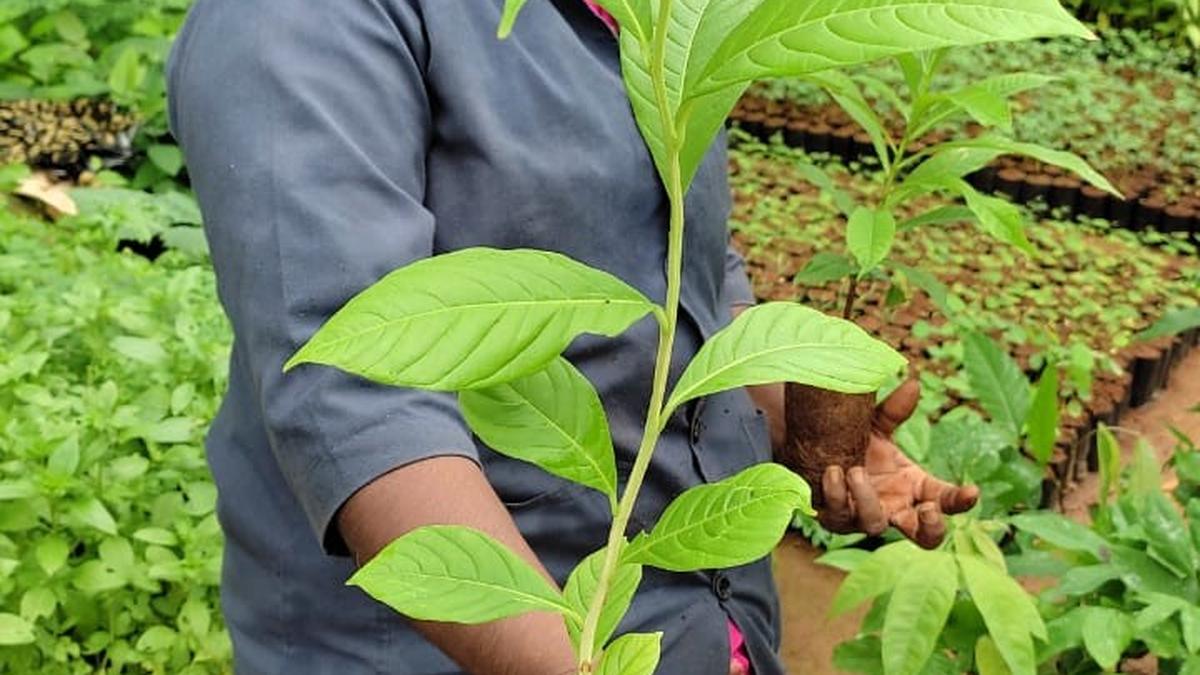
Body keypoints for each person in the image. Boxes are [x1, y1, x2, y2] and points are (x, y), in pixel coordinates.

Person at [167, 1, 979, 673]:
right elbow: (358, 408)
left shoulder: (659, 15)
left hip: (696, 619)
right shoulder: (293, 20)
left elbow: (690, 267)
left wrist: (785, 408)